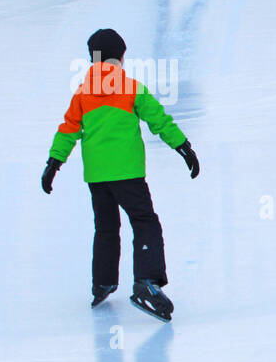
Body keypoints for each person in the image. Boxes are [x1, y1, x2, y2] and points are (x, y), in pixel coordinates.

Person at [41, 29, 200, 321]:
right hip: (128, 173)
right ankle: (146, 281)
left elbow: (68, 129)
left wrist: (53, 163)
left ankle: (102, 282)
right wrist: (183, 147)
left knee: (106, 227)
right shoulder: (131, 88)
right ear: (121, 57)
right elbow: (159, 120)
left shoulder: (83, 92)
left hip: (97, 176)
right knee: (144, 221)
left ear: (93, 58)